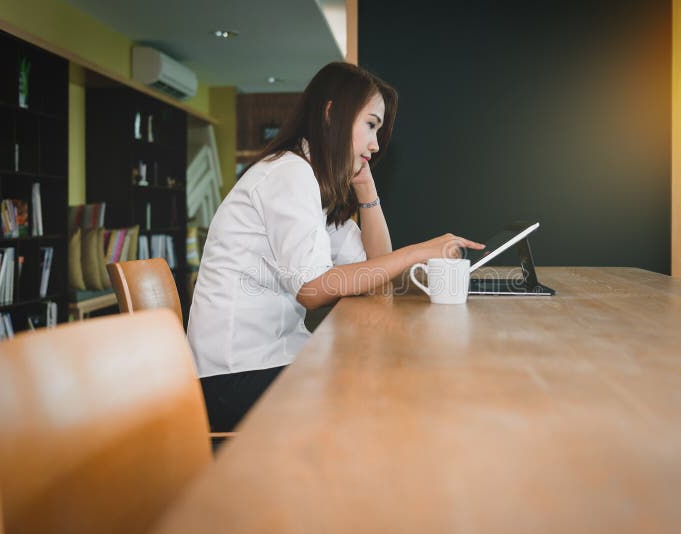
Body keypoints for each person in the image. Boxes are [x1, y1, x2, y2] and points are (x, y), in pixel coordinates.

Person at [187, 62, 484, 432]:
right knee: (387, 387)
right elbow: (313, 289)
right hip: (234, 377)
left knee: (387, 376)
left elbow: (376, 270)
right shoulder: (290, 173)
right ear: (331, 114)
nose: (376, 144)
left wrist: (366, 189)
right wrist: (417, 252)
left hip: (273, 358)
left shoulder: (314, 180)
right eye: (371, 125)